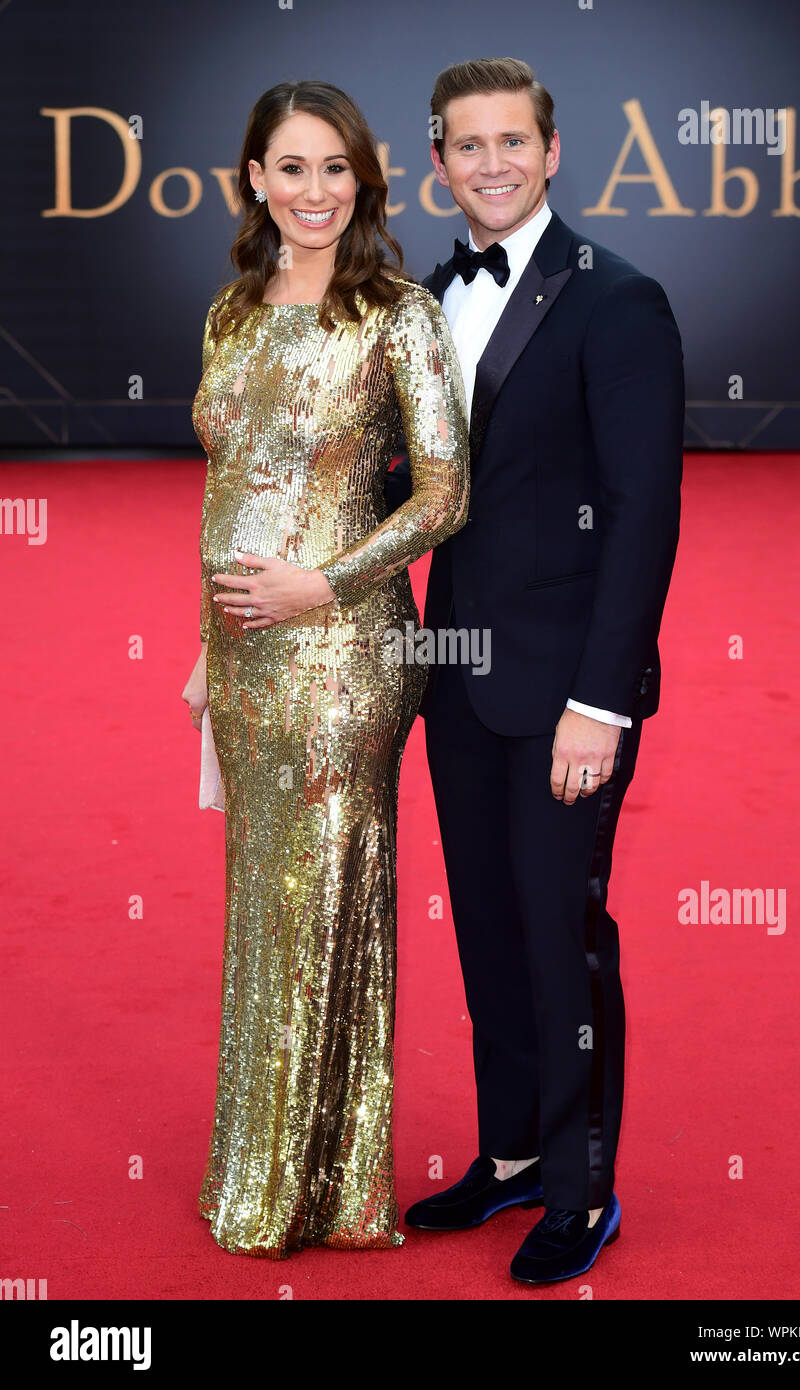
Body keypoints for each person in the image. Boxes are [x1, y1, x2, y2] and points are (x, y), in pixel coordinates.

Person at [397, 58, 684, 1284]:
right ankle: (510, 1154)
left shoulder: (617, 300)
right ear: (438, 161)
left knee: (558, 931)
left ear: (554, 152)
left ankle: (580, 1188)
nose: (493, 163)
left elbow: (641, 514)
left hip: (566, 689)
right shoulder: (418, 300)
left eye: (513, 141)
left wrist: (599, 702)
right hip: (453, 672)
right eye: (469, 145)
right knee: (487, 931)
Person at [182, 79, 469, 1257]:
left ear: (366, 180)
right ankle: (262, 1163)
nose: (313, 192)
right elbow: (227, 483)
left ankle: (317, 1185)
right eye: (290, 168)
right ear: (253, 177)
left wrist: (323, 584)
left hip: (344, 652)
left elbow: (446, 492)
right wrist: (206, 653)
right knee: (266, 902)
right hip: (245, 663)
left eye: (334, 169)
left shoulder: (397, 313)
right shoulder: (229, 312)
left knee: (319, 903)